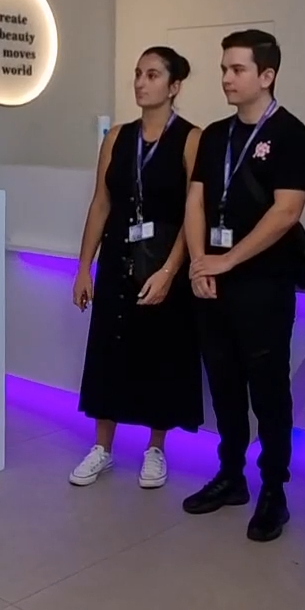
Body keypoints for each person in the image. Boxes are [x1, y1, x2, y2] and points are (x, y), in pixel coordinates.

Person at [184, 30, 305, 543]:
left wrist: (226, 261)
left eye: (237, 69)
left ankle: (274, 490)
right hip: (211, 283)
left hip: (263, 283)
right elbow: (195, 200)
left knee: (268, 389)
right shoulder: (214, 135)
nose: (226, 78)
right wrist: (200, 262)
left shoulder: (291, 135)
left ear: (267, 75)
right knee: (222, 381)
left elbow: (286, 213)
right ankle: (230, 475)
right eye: (223, 68)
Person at [70, 47, 203, 488]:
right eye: (138, 74)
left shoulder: (189, 137)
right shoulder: (118, 138)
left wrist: (171, 270)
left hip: (164, 261)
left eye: (152, 75)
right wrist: (84, 267)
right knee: (109, 350)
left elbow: (193, 211)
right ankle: (103, 448)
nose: (141, 82)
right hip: (118, 258)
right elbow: (101, 203)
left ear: (174, 85)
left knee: (161, 353)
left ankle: (155, 448)